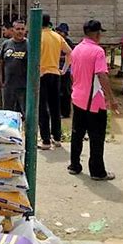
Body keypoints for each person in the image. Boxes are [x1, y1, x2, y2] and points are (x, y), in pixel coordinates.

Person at [67, 20, 119, 180]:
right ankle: (97, 171)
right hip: (94, 102)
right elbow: (102, 75)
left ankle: (74, 165)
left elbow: (71, 73)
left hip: (78, 98)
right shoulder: (98, 51)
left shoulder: (76, 50)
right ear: (97, 33)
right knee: (97, 138)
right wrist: (112, 98)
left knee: (77, 133)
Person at [38, 14, 72, 150]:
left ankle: (46, 140)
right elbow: (70, 52)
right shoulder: (57, 36)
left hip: (42, 74)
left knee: (42, 108)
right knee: (55, 108)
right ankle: (57, 138)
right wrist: (64, 69)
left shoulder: (37, 36)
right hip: (55, 74)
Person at [0, 19, 28, 116]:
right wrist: (1, 80)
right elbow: (0, 62)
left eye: (22, 29)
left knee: (25, 113)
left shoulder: (29, 45)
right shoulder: (6, 44)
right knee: (8, 113)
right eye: (17, 29)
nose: (20, 31)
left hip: (24, 86)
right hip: (9, 85)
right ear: (12, 30)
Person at [56, 23, 74, 119]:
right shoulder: (57, 41)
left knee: (66, 92)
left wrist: (59, 57)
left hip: (66, 71)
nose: (58, 33)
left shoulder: (68, 43)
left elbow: (71, 55)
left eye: (60, 31)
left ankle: (66, 113)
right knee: (58, 92)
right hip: (57, 70)